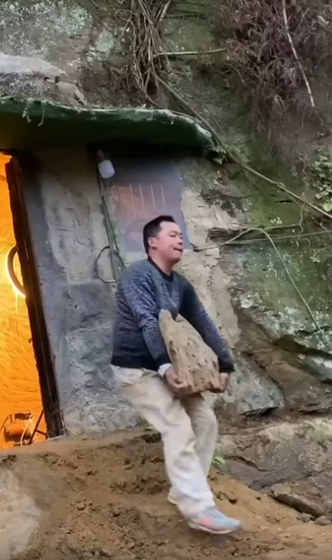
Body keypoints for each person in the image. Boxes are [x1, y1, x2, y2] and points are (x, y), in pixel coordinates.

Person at [110, 214, 242, 535]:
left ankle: (182, 491)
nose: (180, 238)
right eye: (172, 234)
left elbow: (203, 322)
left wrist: (225, 364)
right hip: (137, 370)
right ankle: (199, 511)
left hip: (165, 369)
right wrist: (165, 366)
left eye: (181, 234)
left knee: (205, 421)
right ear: (152, 242)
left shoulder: (179, 285)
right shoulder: (137, 275)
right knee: (177, 425)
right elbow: (146, 320)